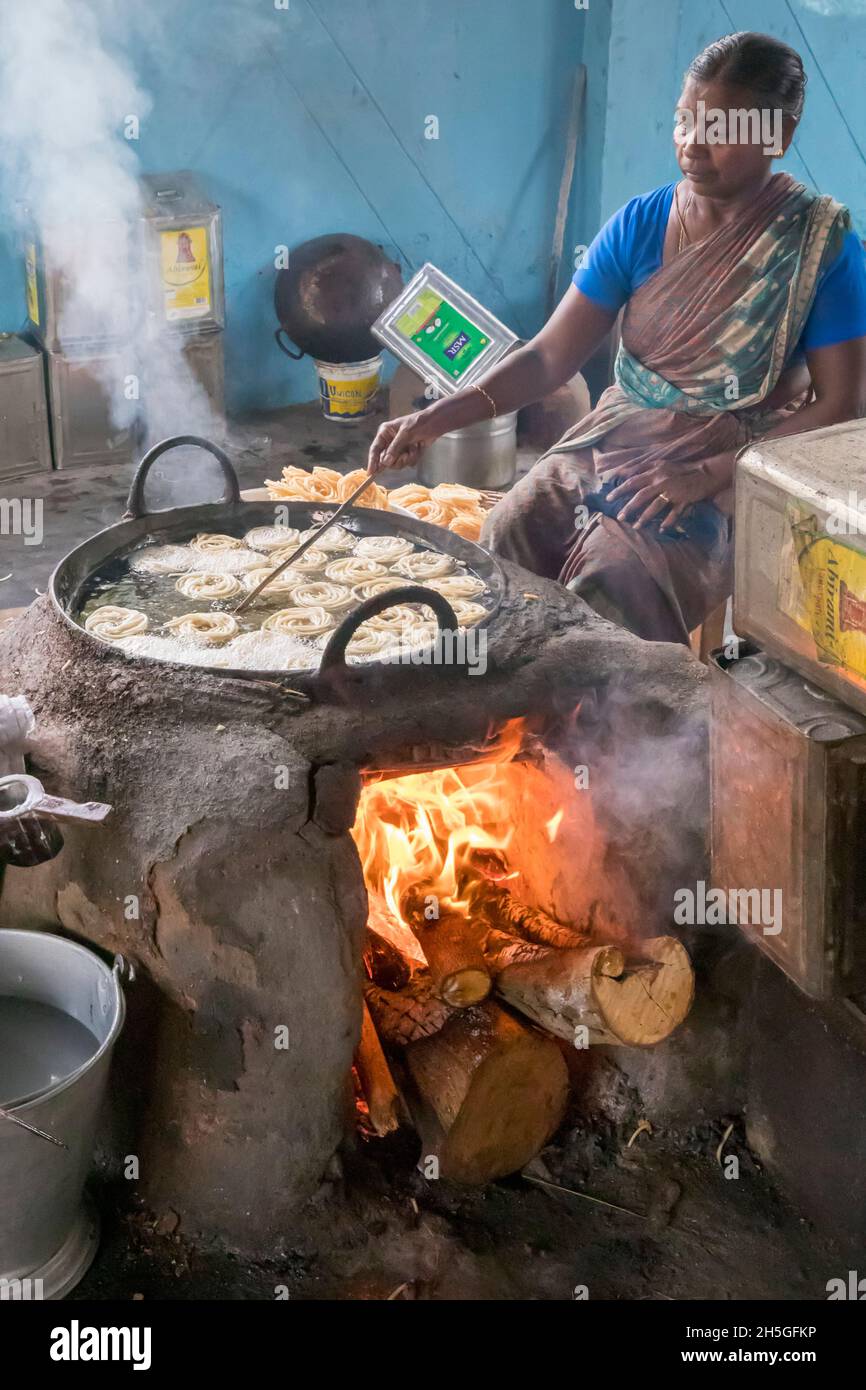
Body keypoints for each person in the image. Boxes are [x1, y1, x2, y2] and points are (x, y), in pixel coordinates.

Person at [368, 31, 866, 644]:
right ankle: (516, 692)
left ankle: (624, 703)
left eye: (722, 129)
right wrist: (434, 420)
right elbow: (548, 358)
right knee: (509, 530)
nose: (692, 144)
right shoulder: (640, 224)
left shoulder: (819, 249)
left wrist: (712, 473)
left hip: (739, 463)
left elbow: (840, 405)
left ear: (778, 136)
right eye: (684, 120)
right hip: (621, 435)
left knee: (614, 580)